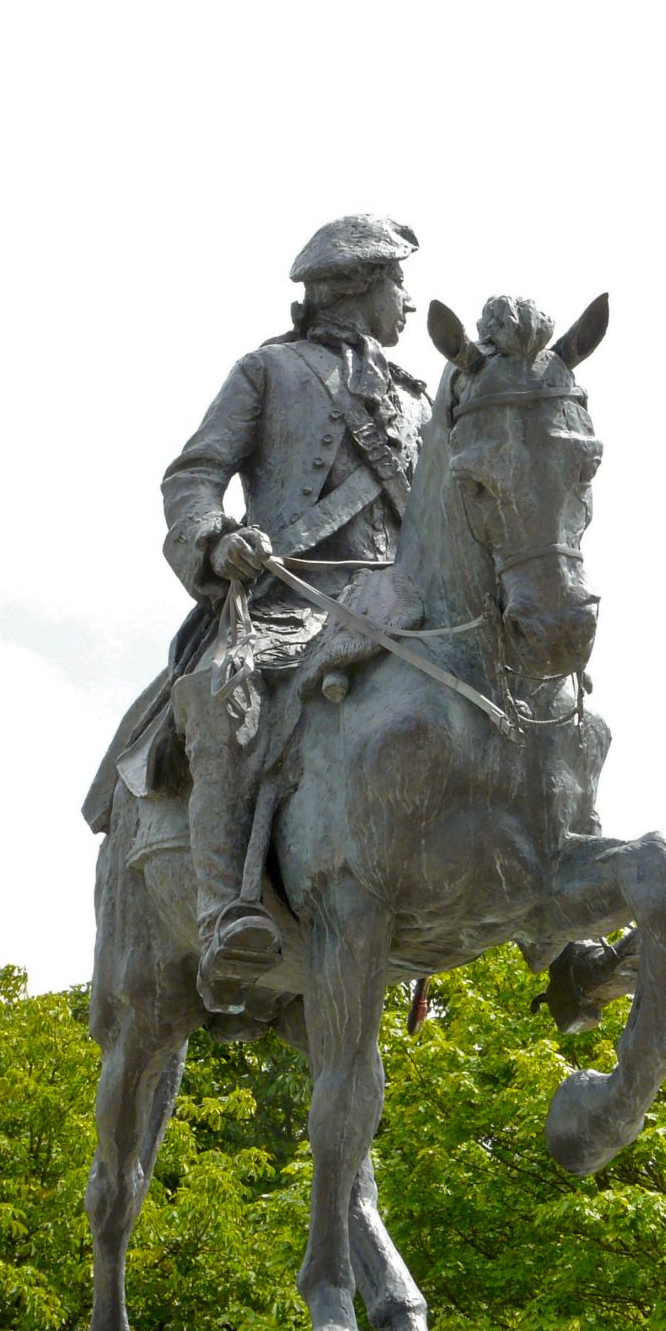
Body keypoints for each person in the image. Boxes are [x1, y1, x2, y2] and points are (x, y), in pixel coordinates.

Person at [85, 215, 429, 1013]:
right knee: (220, 692)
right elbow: (194, 476)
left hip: (406, 608)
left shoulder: (420, 398)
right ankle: (224, 915)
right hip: (294, 597)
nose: (411, 303)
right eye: (400, 284)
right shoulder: (269, 372)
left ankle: (555, 932)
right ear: (360, 287)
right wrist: (214, 540)